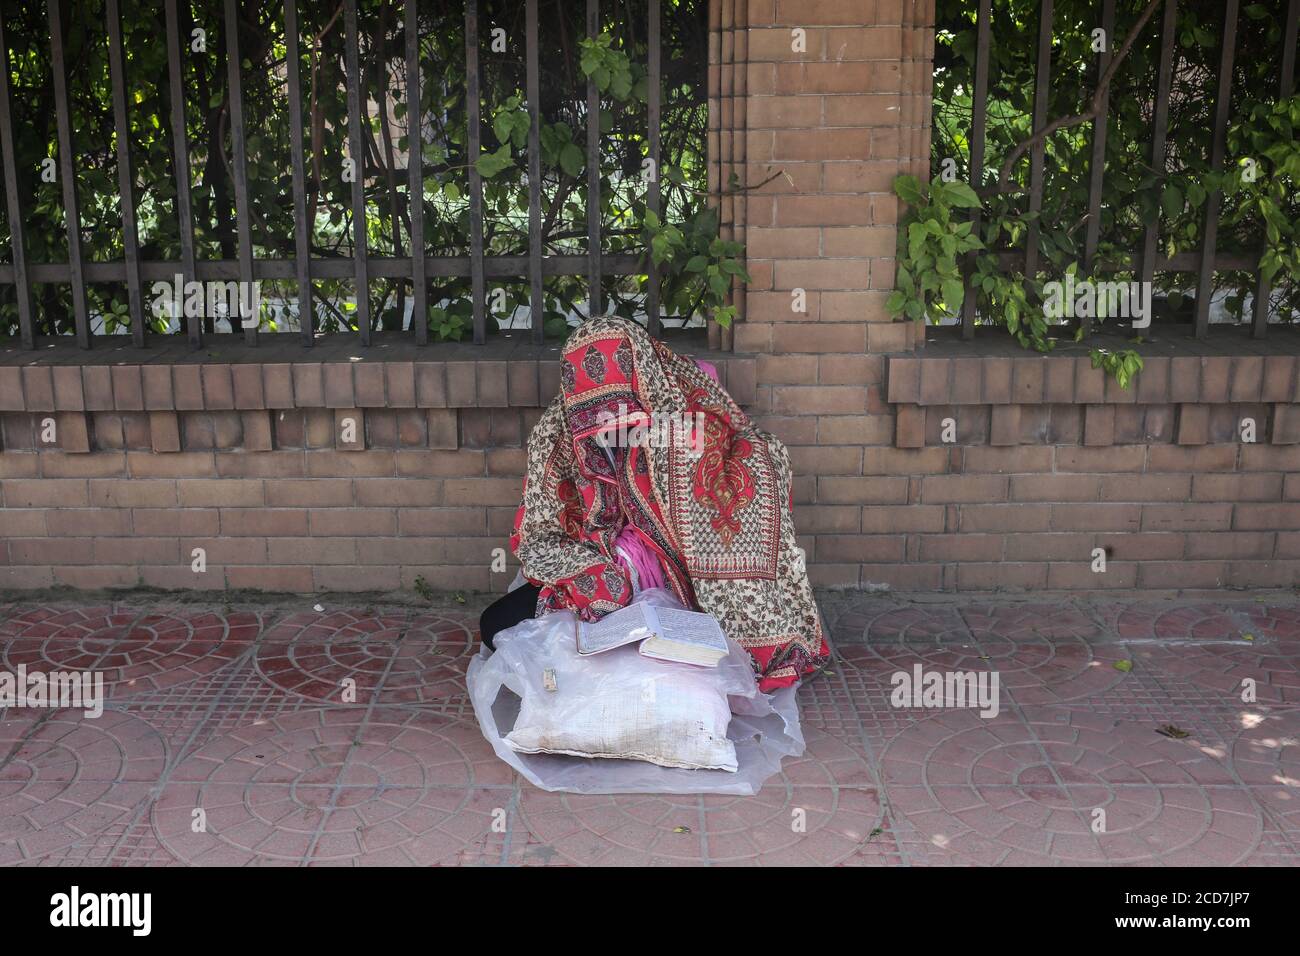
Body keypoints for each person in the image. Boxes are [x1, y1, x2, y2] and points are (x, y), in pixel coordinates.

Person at [479, 315, 829, 692]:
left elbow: (744, 462)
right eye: (598, 413)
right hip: (602, 558)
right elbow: (549, 522)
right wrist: (601, 564)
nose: (608, 421)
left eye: (618, 409)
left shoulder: (684, 410)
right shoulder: (564, 426)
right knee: (495, 625)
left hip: (678, 573)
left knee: (668, 663)